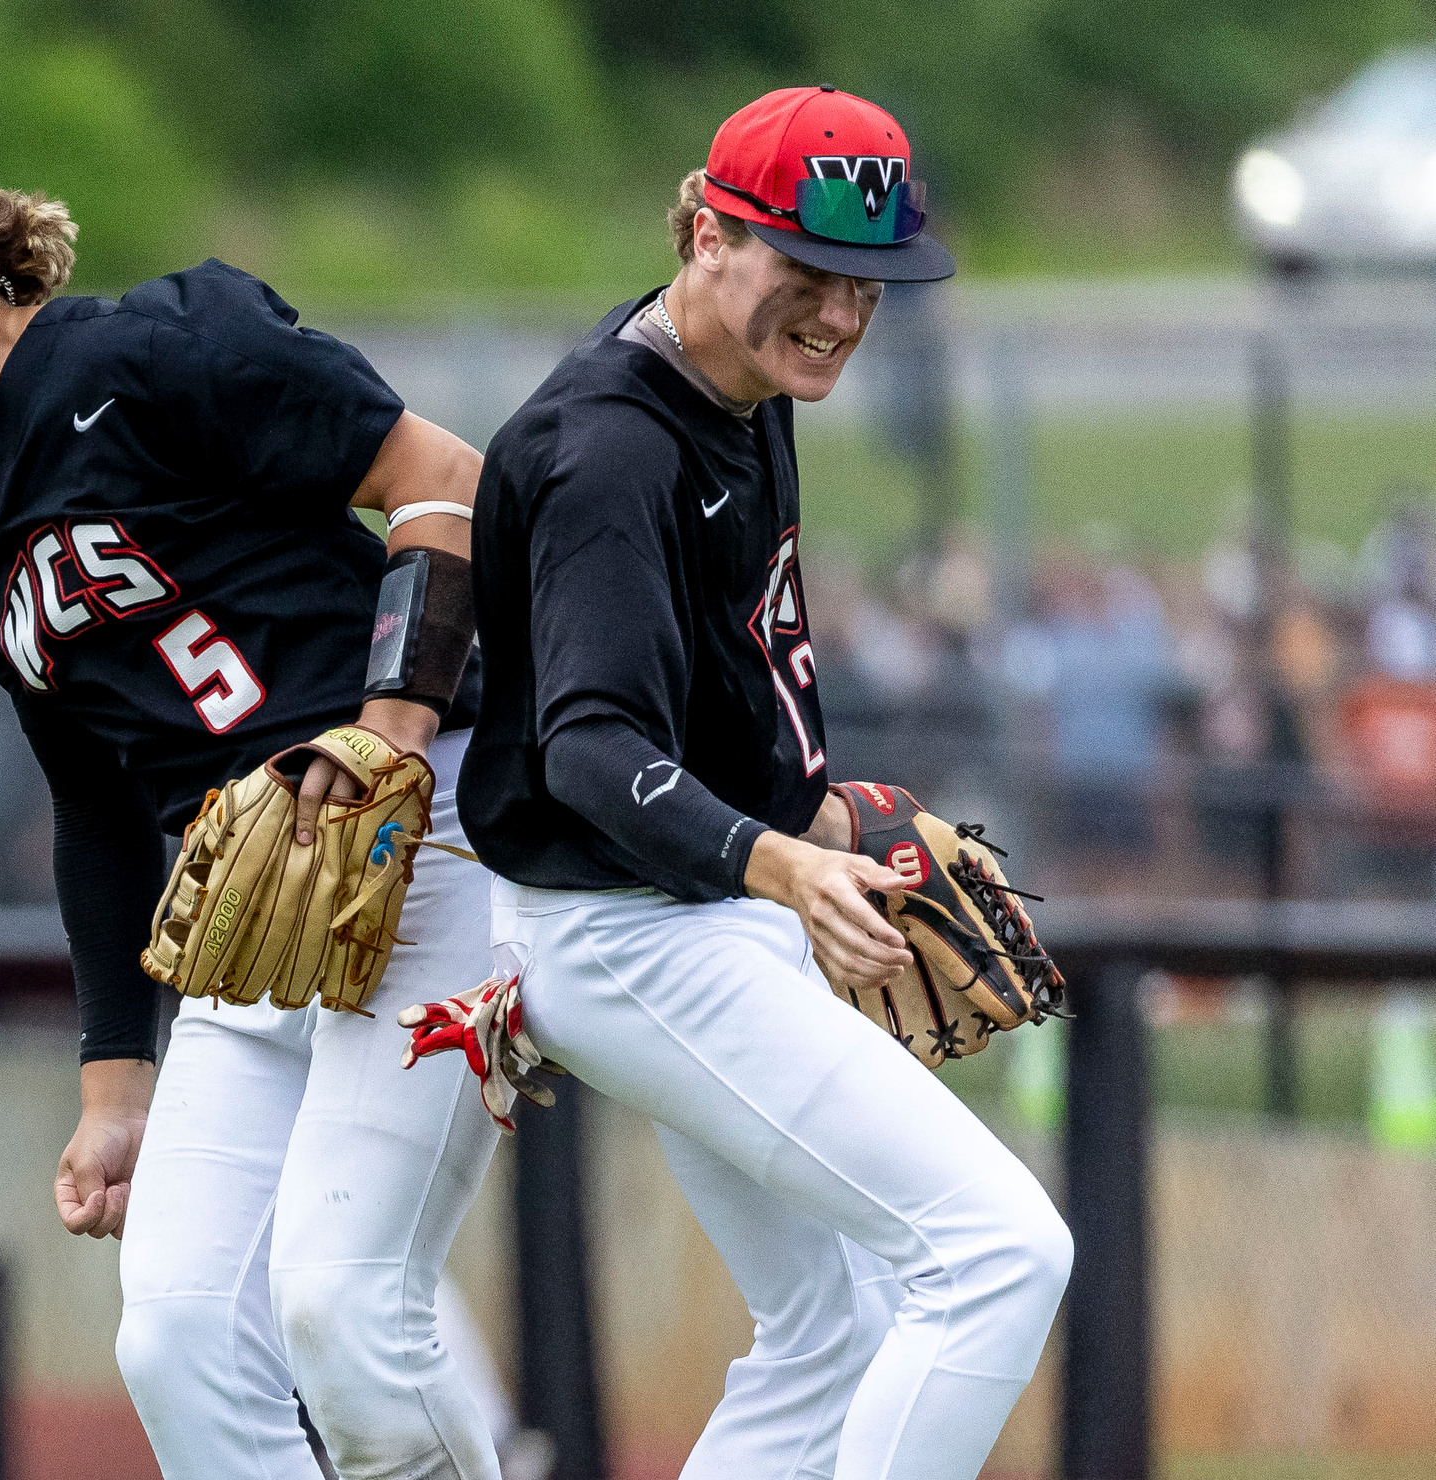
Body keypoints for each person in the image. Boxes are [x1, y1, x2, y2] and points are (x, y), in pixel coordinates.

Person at [0, 124, 504, 1479]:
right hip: (247, 910)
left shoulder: (155, 351)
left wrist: (382, 751)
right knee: (175, 1342)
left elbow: (446, 483)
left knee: (344, 1315)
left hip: (433, 839)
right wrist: (114, 1085)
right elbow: (93, 799)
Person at [445, 88, 1073, 1480]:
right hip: (632, 932)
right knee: (998, 1251)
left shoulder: (728, 378)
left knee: (826, 1332)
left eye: (865, 283)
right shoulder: (609, 446)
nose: (842, 317)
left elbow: (699, 697)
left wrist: (817, 816)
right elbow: (589, 746)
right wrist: (781, 862)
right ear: (704, 231)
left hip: (682, 910)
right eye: (806, 276)